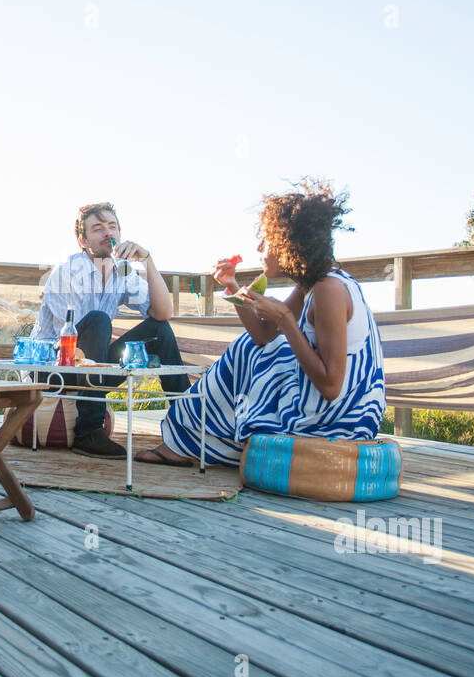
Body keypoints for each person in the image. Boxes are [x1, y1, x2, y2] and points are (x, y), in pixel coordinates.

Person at [137, 182, 385, 468]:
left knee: (254, 351)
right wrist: (232, 287)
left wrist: (284, 319)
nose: (259, 248)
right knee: (249, 347)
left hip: (339, 420)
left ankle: (185, 443)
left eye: (266, 240)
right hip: (328, 409)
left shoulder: (329, 289)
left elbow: (331, 386)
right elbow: (262, 335)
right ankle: (186, 442)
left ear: (288, 244)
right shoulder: (313, 285)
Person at [34, 201, 186, 459]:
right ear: (83, 241)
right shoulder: (66, 274)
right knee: (98, 320)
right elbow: (73, 346)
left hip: (95, 368)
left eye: (112, 227)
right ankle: (88, 431)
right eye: (98, 229)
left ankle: (188, 424)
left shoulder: (122, 273)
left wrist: (148, 261)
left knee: (159, 329)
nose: (108, 233)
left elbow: (163, 313)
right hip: (54, 369)